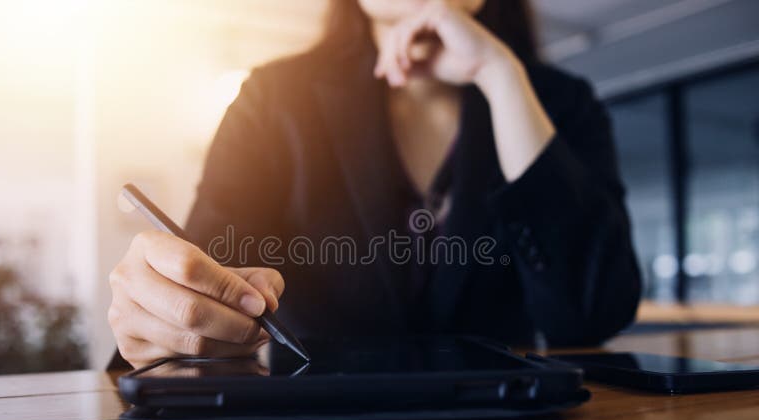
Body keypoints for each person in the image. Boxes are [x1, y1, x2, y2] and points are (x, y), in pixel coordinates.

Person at [107, 0, 641, 368]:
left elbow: (590, 315)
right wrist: (166, 311)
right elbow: (208, 277)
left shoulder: (557, 102)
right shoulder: (273, 100)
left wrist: (500, 78)